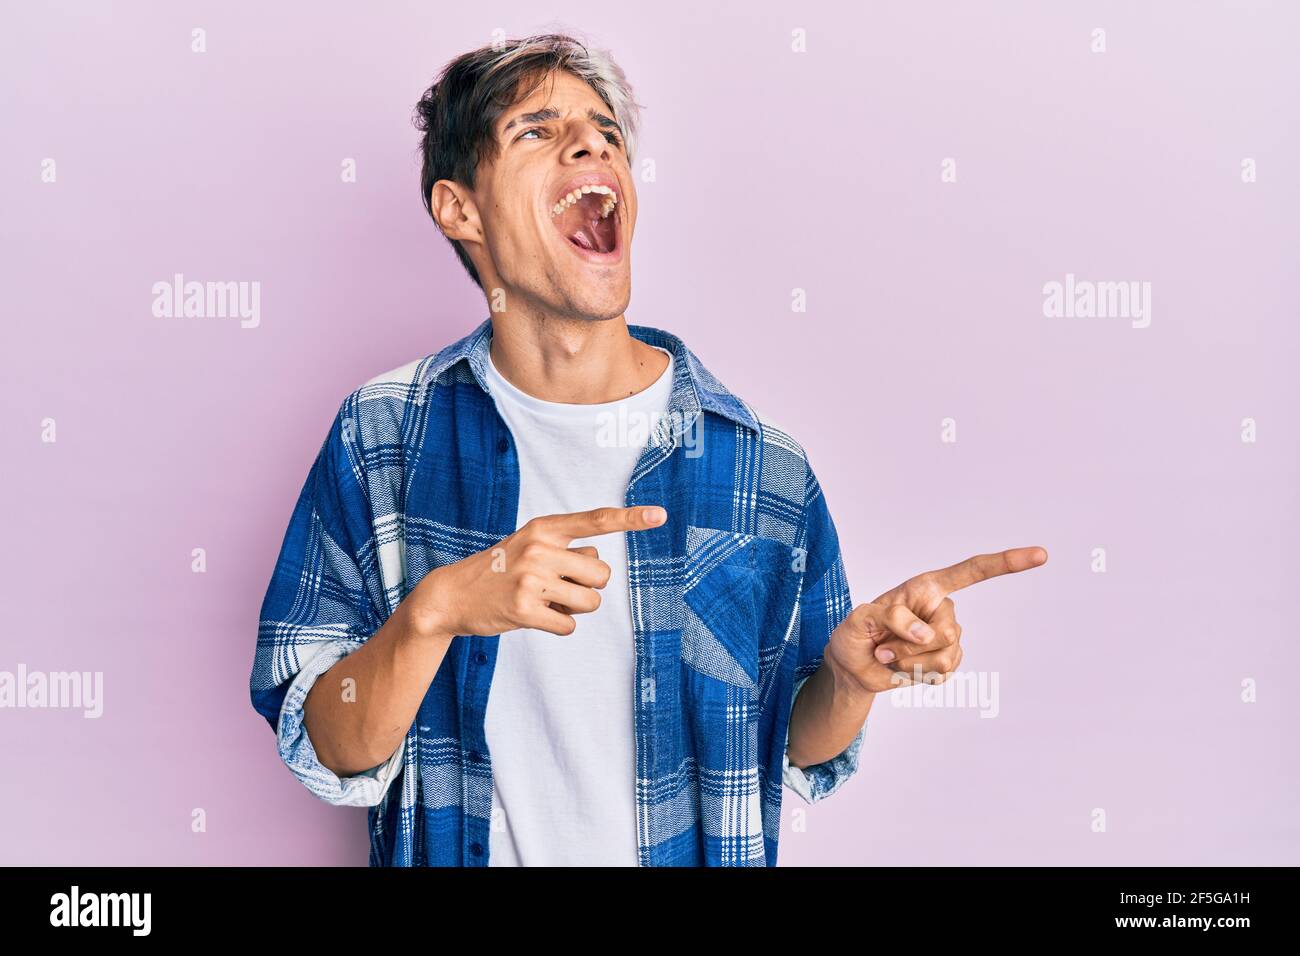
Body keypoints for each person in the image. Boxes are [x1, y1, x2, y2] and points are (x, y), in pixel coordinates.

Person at [248, 32, 1047, 867]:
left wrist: (848, 683)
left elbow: (797, 754)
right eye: (537, 131)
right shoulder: (384, 436)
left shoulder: (762, 466)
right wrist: (435, 611)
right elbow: (326, 742)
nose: (592, 142)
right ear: (461, 210)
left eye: (605, 132)